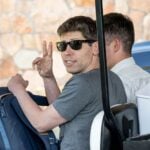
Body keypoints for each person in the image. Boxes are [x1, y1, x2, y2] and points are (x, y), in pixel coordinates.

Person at [7, 16, 126, 150]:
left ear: (95, 47)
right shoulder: (112, 78)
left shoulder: (83, 83)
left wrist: (18, 89)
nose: (66, 53)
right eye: (62, 46)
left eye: (75, 44)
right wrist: (48, 77)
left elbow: (40, 123)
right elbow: (60, 111)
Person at [103, 12, 150, 103]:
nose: (94, 50)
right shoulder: (145, 78)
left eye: (98, 45)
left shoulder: (117, 85)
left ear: (115, 45)